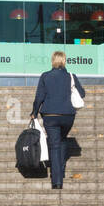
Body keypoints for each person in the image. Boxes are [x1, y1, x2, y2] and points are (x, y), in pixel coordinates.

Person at [31, 51, 86, 190]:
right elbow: (82, 94)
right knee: (62, 140)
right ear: (64, 61)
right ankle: (61, 171)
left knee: (54, 145)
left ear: (52, 61)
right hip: (68, 115)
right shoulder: (70, 76)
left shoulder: (45, 76)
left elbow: (39, 97)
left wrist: (34, 113)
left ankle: (57, 181)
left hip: (50, 115)